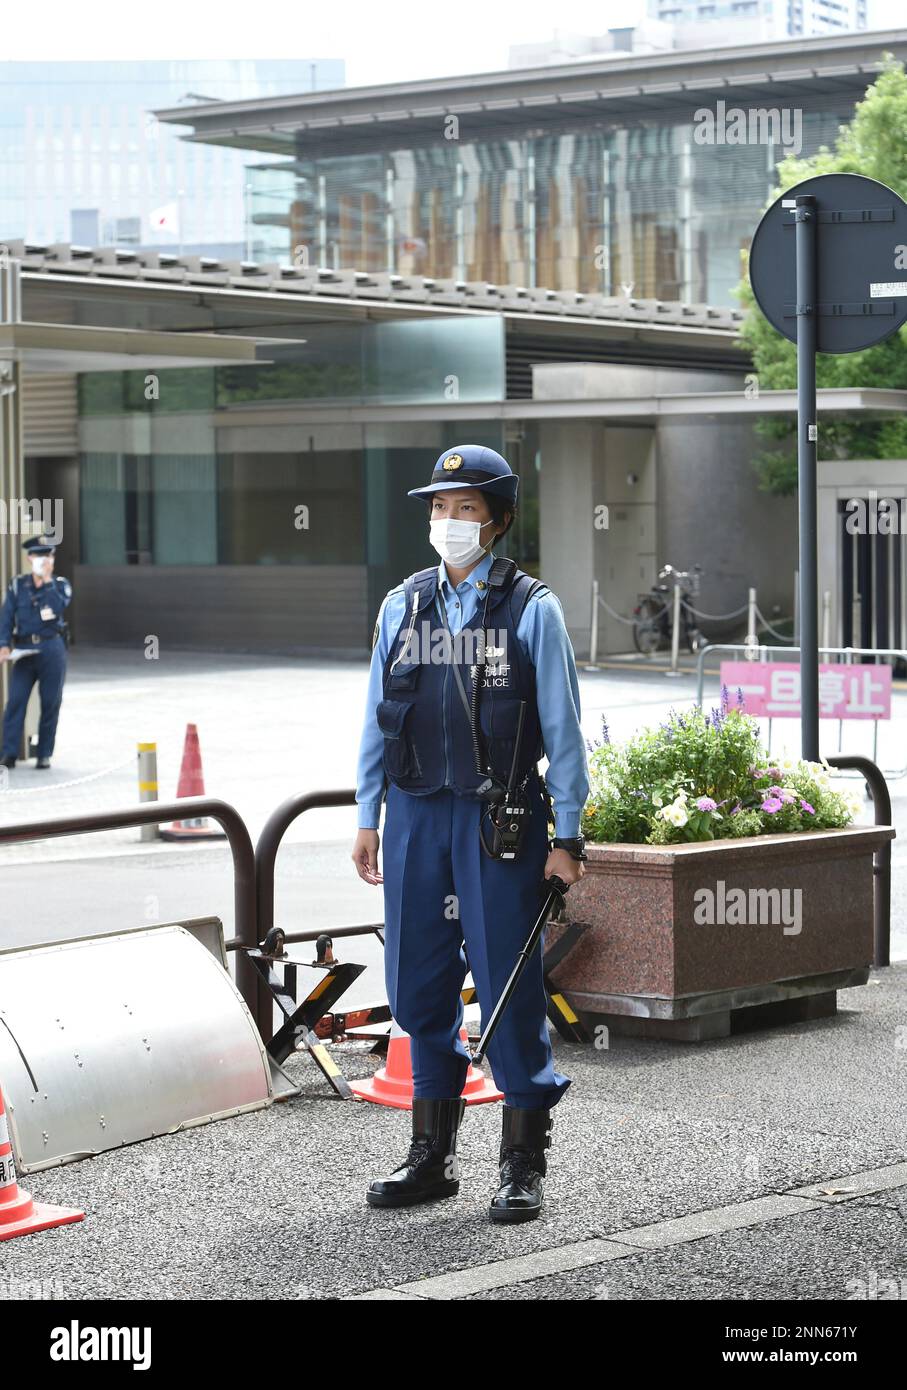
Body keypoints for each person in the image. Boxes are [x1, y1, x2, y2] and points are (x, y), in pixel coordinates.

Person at [352, 445, 589, 1223]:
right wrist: (367, 815)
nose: (446, 522)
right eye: (436, 508)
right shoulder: (401, 605)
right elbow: (373, 720)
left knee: (507, 983)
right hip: (415, 816)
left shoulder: (531, 609)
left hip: (500, 822)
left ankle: (522, 1162)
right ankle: (431, 1157)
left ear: (497, 518)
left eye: (463, 508)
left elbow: (562, 730)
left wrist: (569, 834)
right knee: (415, 984)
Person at [0, 534, 71, 770]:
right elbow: (7, 616)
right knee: (16, 701)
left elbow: (60, 607)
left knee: (51, 702)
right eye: (40, 555)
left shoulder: (60, 584)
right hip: (24, 649)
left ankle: (44, 754)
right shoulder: (17, 585)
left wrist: (48, 581)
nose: (45, 559)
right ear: (30, 558)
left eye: (49, 555)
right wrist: (3, 644)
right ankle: (8, 753)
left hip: (52, 648)